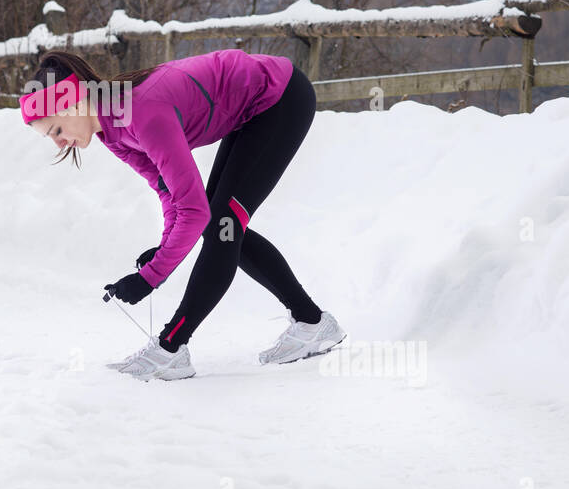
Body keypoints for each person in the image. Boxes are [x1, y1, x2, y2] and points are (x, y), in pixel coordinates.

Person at [21, 48, 345, 381]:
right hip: (253, 110)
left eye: (56, 131)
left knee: (223, 225)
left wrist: (150, 277)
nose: (59, 144)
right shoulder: (111, 129)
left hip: (281, 99)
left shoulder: (140, 112)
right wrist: (163, 252)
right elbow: (170, 194)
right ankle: (311, 322)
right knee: (223, 225)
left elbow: (193, 210)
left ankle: (170, 348)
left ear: (73, 103)